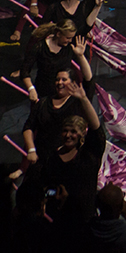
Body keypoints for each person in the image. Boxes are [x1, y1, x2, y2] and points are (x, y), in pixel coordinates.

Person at [29, 84, 106, 226]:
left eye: (73, 131)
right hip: (60, 218)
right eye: (65, 131)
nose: (68, 135)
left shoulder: (89, 155)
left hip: (85, 219)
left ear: (82, 133)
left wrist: (83, 99)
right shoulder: (53, 157)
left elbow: (97, 131)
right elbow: (46, 185)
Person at [20, 37, 94, 164]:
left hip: (67, 159)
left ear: (73, 83)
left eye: (64, 80)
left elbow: (89, 80)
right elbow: (29, 126)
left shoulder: (77, 103)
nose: (60, 83)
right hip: (43, 157)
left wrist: (80, 56)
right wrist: (31, 149)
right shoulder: (43, 103)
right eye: (57, 80)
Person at [21, 19, 81, 101]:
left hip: (64, 91)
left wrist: (80, 55)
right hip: (44, 91)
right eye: (67, 38)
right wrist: (31, 88)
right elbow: (25, 70)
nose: (70, 40)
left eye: (71, 38)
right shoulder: (40, 47)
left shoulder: (69, 47)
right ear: (59, 34)